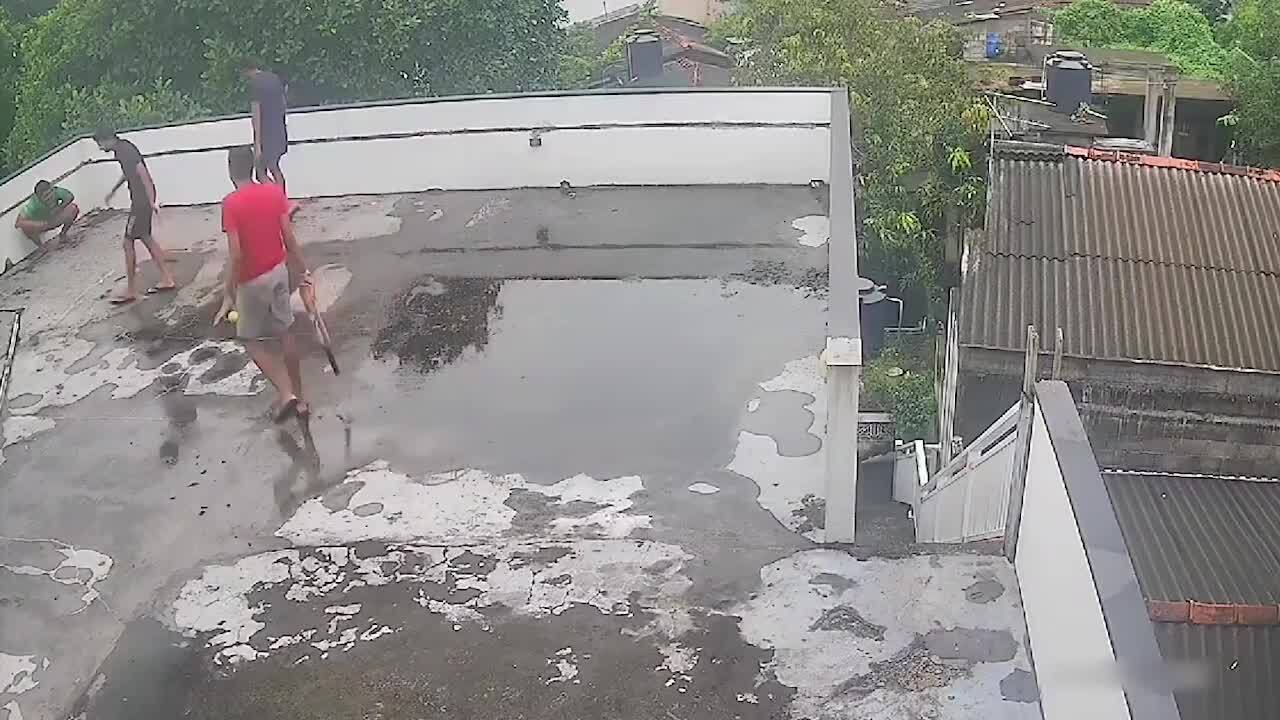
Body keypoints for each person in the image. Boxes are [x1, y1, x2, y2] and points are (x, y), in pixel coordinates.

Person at [216, 145, 310, 422]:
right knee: (286, 333)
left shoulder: (231, 203)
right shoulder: (273, 193)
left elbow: (236, 254)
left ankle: (286, 392)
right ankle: (301, 401)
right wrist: (303, 271)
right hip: (279, 271)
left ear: (231, 170)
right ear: (254, 166)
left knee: (250, 340)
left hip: (252, 281)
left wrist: (227, 295)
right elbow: (289, 238)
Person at [95, 128, 178, 304]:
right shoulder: (122, 150)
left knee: (127, 242)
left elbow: (143, 173)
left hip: (140, 204)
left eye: (100, 143)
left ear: (108, 138)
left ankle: (131, 290)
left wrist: (152, 200)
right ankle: (167, 278)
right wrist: (114, 190)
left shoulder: (124, 150)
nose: (100, 148)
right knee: (147, 238)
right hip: (141, 202)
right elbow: (129, 172)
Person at [241, 60, 290, 193]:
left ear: (245, 71)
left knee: (261, 172)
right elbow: (283, 104)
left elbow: (256, 115)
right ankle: (280, 198)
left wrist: (257, 145)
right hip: (279, 129)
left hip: (266, 133)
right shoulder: (274, 78)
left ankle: (276, 198)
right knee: (274, 167)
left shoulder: (254, 84)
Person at [15, 180, 80, 244]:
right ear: (39, 198)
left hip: (53, 219)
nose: (50, 197)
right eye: (46, 196)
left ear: (52, 189)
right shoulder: (33, 204)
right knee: (26, 228)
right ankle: (41, 247)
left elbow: (70, 197)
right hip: (40, 225)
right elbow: (18, 223)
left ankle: (63, 235)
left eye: (50, 193)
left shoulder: (56, 191)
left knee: (73, 209)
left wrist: (58, 208)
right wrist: (37, 224)